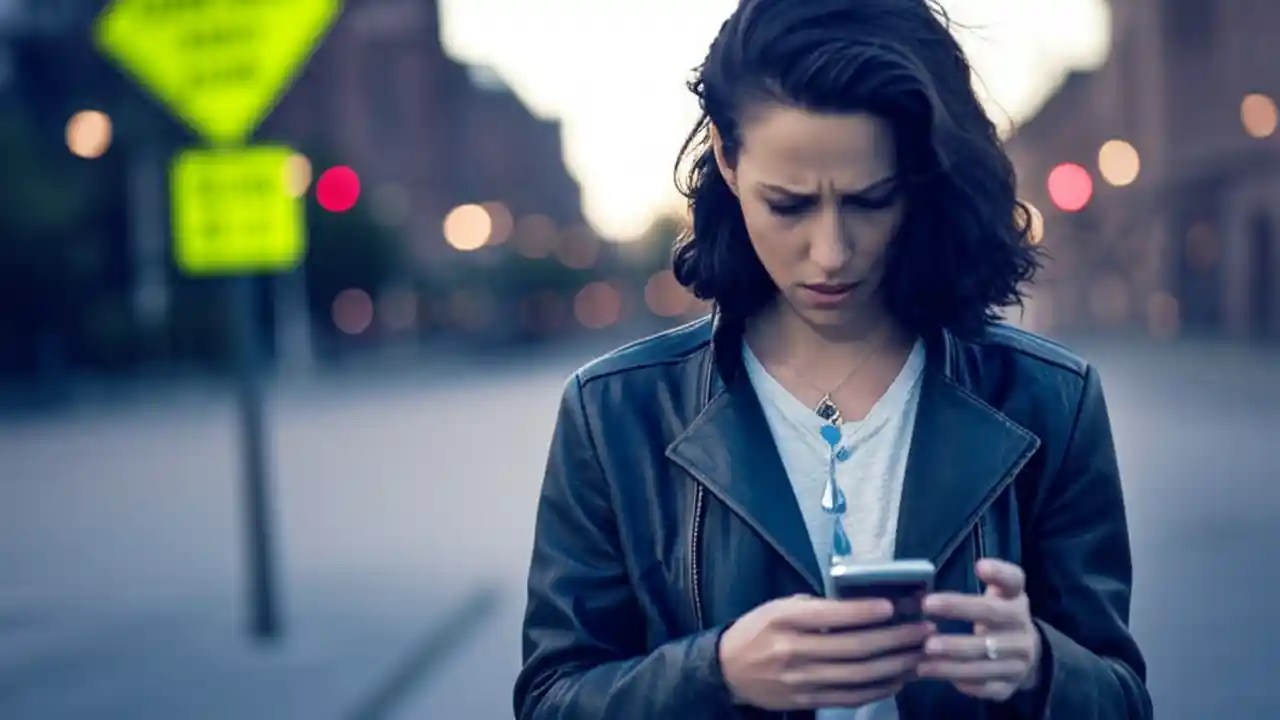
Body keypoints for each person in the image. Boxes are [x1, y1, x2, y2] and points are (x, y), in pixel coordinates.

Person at [513, 0, 1152, 718]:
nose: (832, 253)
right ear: (727, 158)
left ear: (919, 177)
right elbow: (551, 698)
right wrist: (714, 673)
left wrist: (1039, 666)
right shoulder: (613, 413)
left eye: (870, 201)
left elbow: (1123, 697)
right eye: (787, 205)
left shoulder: (1048, 400)